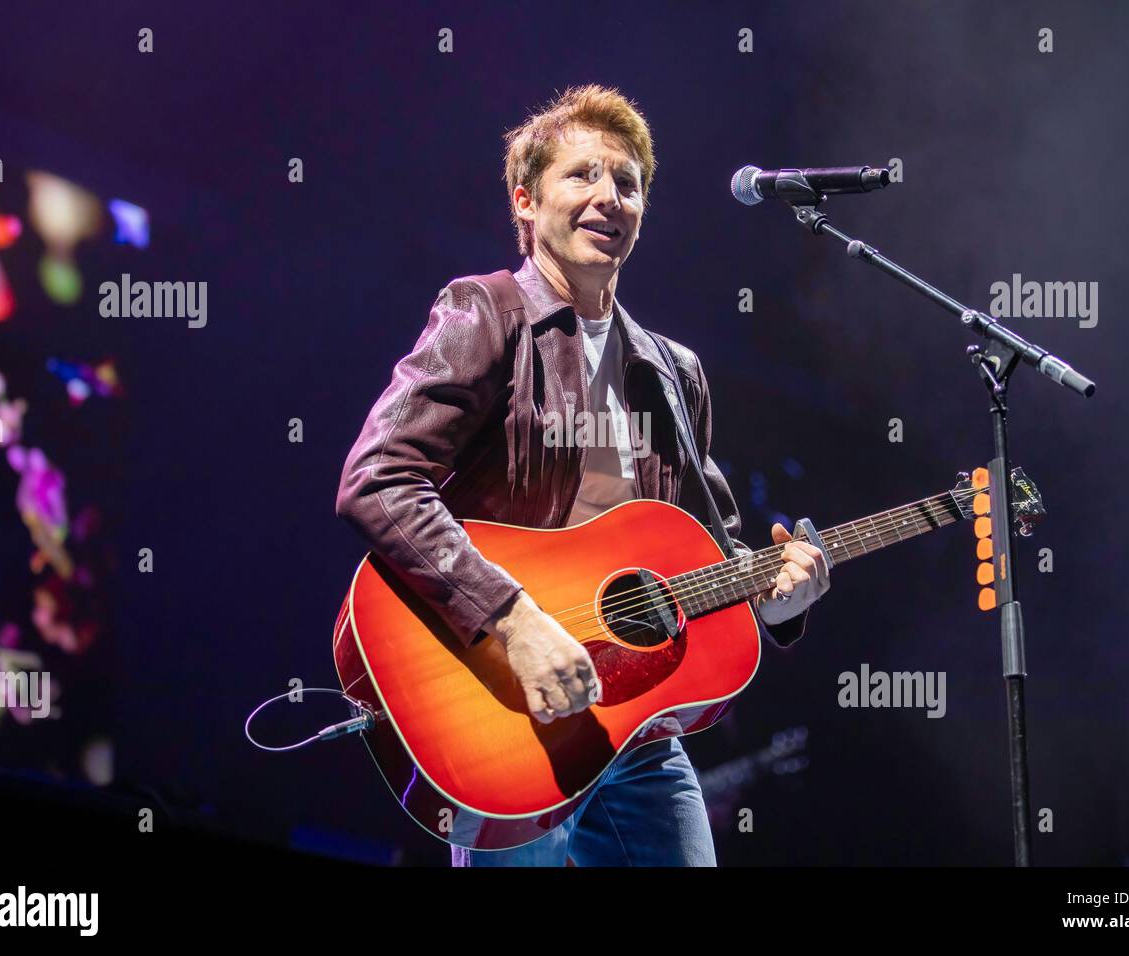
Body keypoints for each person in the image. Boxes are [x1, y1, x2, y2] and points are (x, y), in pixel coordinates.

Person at [336, 84, 830, 866]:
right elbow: (379, 477)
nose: (610, 197)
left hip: (635, 728)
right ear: (526, 202)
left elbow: (709, 550)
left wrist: (777, 598)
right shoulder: (485, 313)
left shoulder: (676, 372)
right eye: (584, 176)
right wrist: (515, 619)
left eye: (627, 183)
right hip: (509, 711)